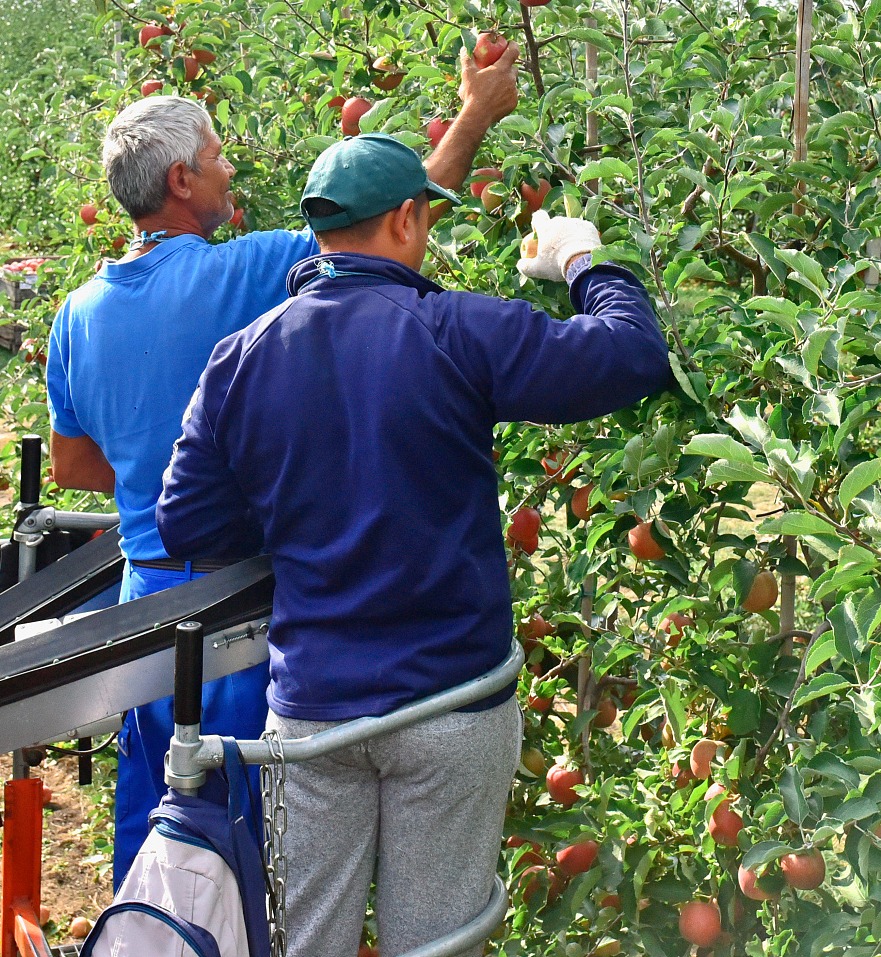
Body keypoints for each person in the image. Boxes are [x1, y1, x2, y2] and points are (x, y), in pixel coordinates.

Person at [156, 133, 674, 957]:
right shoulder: (457, 331)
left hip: (313, 709)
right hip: (448, 704)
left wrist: (298, 512)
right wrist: (584, 262)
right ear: (405, 218)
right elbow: (633, 354)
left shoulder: (239, 359)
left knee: (306, 942)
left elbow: (185, 522)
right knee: (432, 943)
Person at [46, 48, 518, 887]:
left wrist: (150, 451)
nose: (233, 169)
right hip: (237, 603)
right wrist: (475, 114)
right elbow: (387, 219)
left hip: (143, 601)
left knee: (158, 827)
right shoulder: (250, 272)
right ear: (185, 179)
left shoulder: (76, 314)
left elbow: (77, 463)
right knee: (252, 845)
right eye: (221, 155)